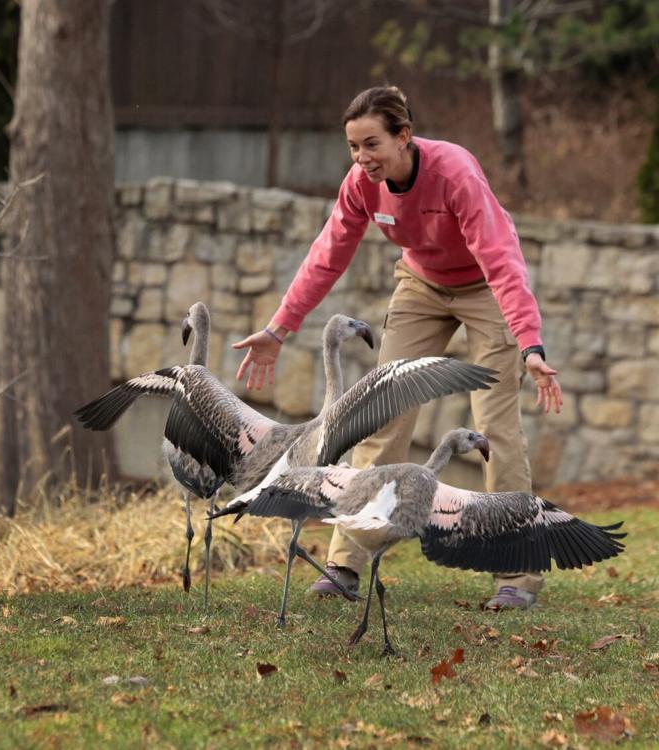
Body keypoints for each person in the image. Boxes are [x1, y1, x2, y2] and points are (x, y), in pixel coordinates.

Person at [233, 85, 563, 610]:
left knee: (495, 427)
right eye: (353, 148)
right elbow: (326, 256)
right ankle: (345, 562)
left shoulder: (454, 174)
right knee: (383, 416)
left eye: (372, 145)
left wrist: (529, 344)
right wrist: (278, 330)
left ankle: (516, 572)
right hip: (421, 284)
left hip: (484, 289)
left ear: (404, 136)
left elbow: (501, 260)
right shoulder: (363, 185)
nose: (362, 158)